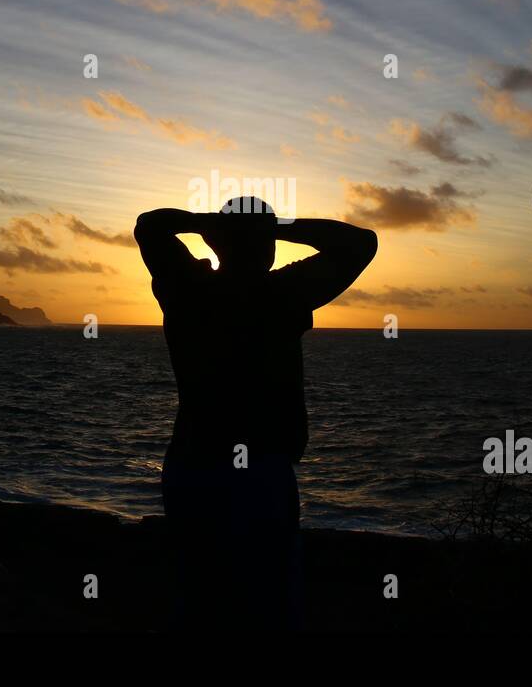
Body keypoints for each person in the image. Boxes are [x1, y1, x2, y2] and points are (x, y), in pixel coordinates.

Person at [133, 197, 377, 629]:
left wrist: (217, 225)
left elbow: (149, 226)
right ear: (267, 245)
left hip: (192, 463)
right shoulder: (283, 293)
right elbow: (361, 243)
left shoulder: (186, 286)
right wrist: (275, 226)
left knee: (199, 594)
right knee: (269, 601)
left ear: (216, 242)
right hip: (261, 469)